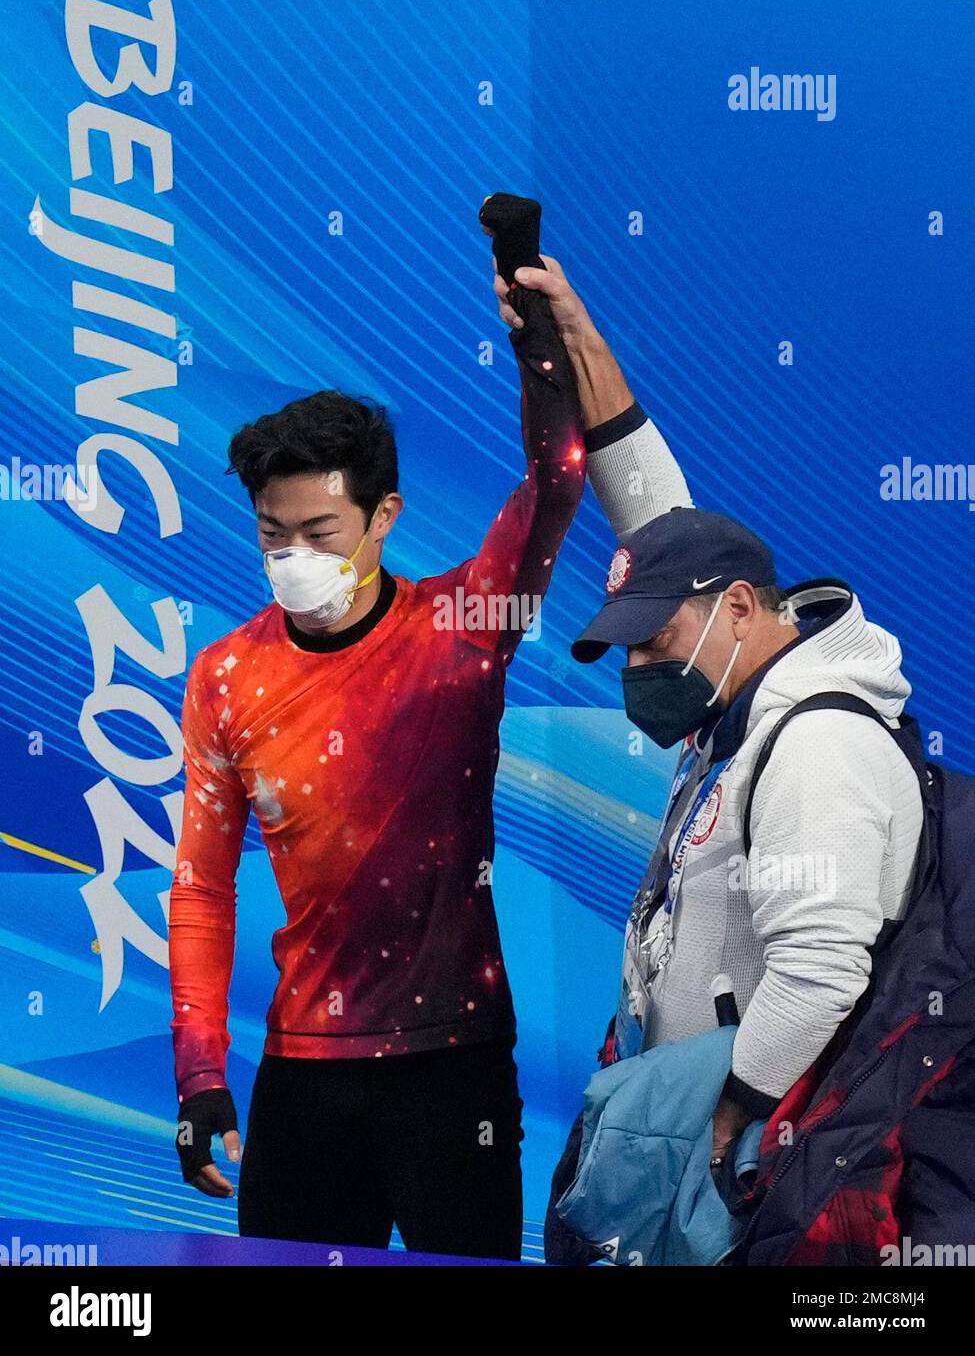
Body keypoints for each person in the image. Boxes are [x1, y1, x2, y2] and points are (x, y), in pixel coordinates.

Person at [168, 263, 585, 1262]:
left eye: (319, 532)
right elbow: (201, 889)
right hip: (302, 1080)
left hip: (456, 1070)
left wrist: (538, 345)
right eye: (273, 535)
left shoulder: (466, 623)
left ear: (383, 516)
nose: (292, 555)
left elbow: (560, 475)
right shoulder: (225, 674)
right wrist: (200, 1077)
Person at [493, 255, 924, 1178]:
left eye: (655, 640)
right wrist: (574, 337)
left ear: (737, 607)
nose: (640, 666)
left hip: (757, 1150)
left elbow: (816, 973)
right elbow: (654, 515)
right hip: (702, 1117)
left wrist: (722, 1129)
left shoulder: (818, 743)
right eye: (628, 647)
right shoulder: (742, 692)